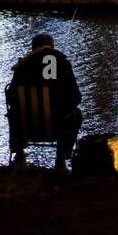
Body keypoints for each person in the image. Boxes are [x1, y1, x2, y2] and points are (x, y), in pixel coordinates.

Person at [7, 33, 82, 173]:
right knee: (76, 114)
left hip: (27, 127)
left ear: (33, 47)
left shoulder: (23, 65)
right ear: (52, 46)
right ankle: (61, 159)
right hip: (57, 127)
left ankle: (20, 155)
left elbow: (11, 97)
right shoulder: (62, 62)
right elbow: (76, 97)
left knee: (13, 112)